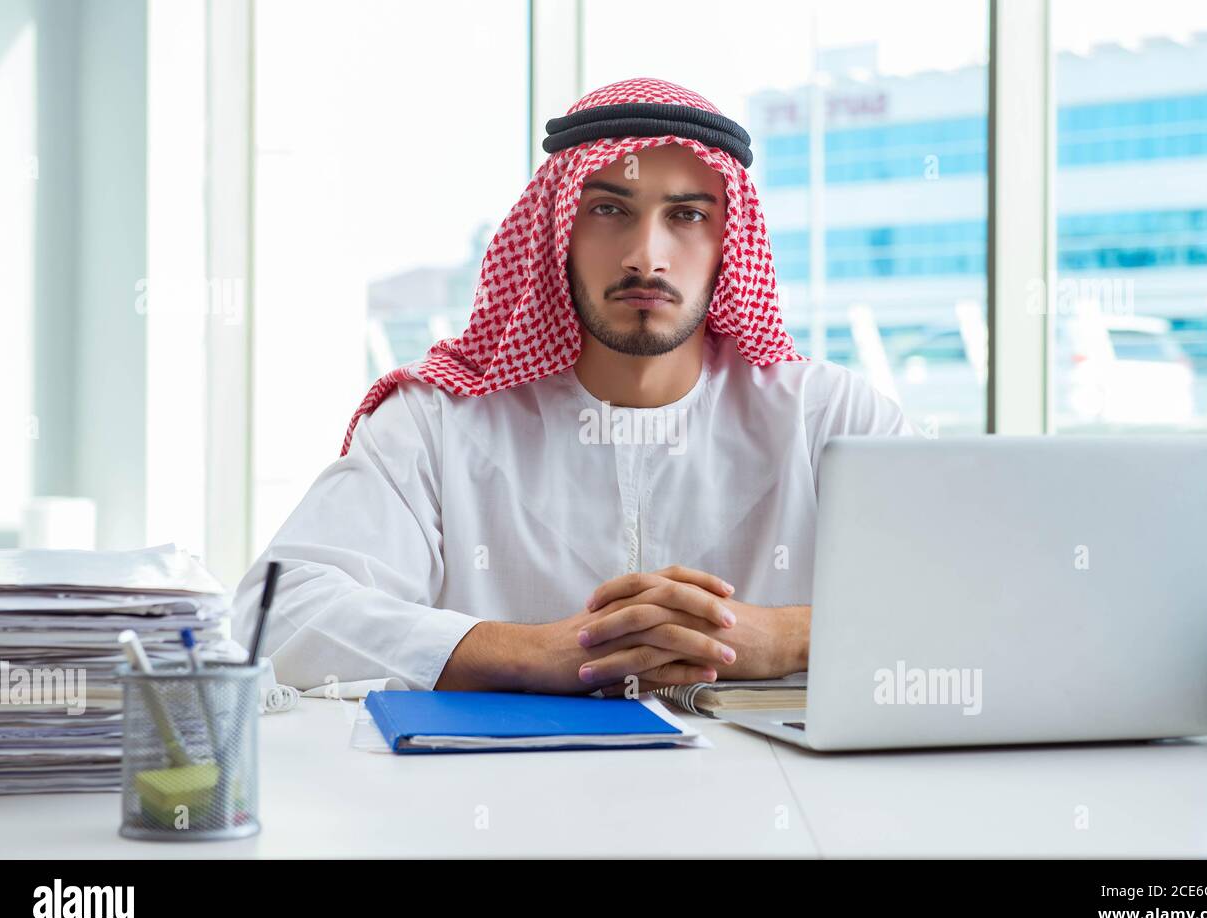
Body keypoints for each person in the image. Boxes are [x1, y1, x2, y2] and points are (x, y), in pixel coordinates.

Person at [232, 77, 913, 697]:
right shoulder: (438, 424)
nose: (647, 254)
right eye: (610, 210)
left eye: (687, 216)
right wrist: (527, 651)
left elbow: (978, 598)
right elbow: (279, 610)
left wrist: (784, 637)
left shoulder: (827, 416)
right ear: (557, 230)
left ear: (729, 239)